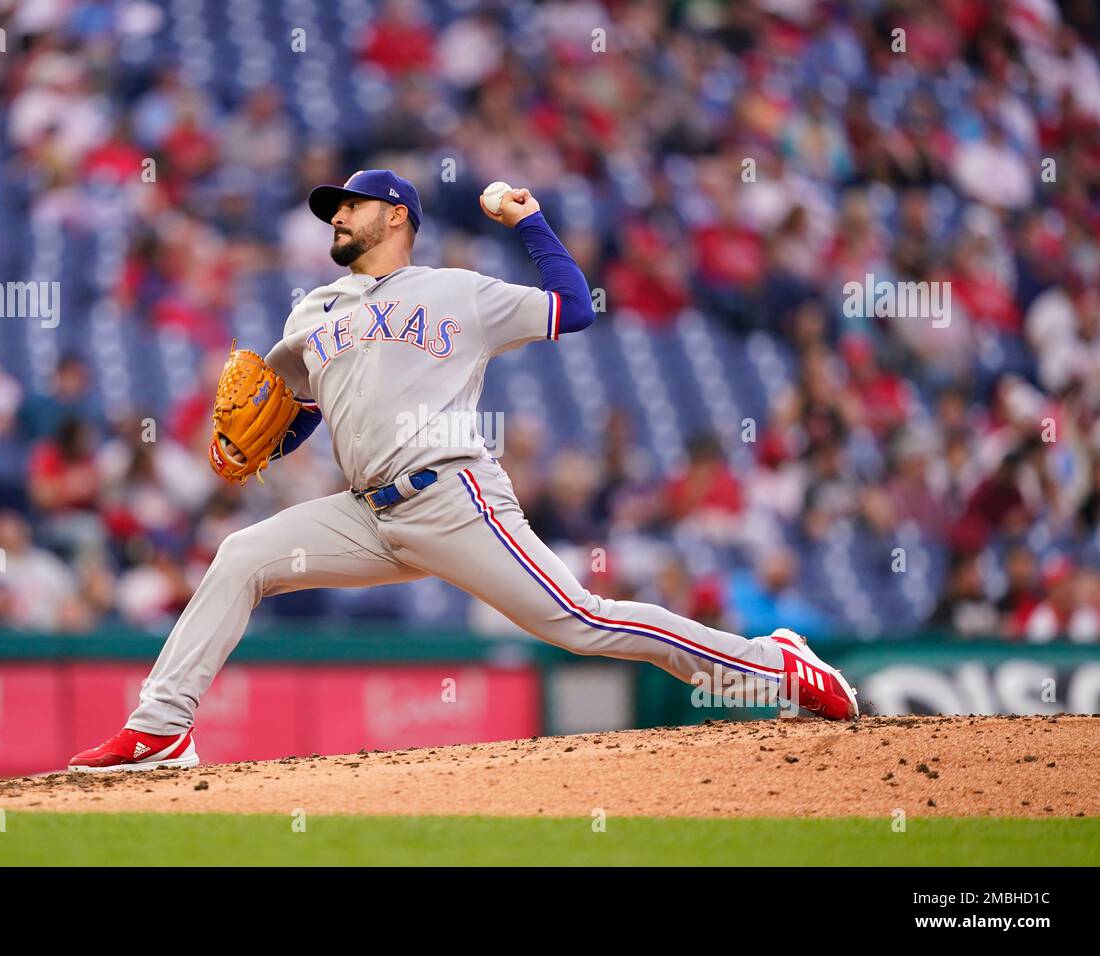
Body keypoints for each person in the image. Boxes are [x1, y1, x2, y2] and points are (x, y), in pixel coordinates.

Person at [68, 171, 859, 771]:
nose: (335, 216)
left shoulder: (457, 292)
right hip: (365, 514)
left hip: (453, 497)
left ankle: (774, 665)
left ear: (396, 216)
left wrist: (532, 221)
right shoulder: (311, 310)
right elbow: (301, 407)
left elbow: (573, 308)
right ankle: (164, 728)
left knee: (580, 623)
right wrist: (266, 444)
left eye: (348, 205)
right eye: (329, 210)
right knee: (241, 556)